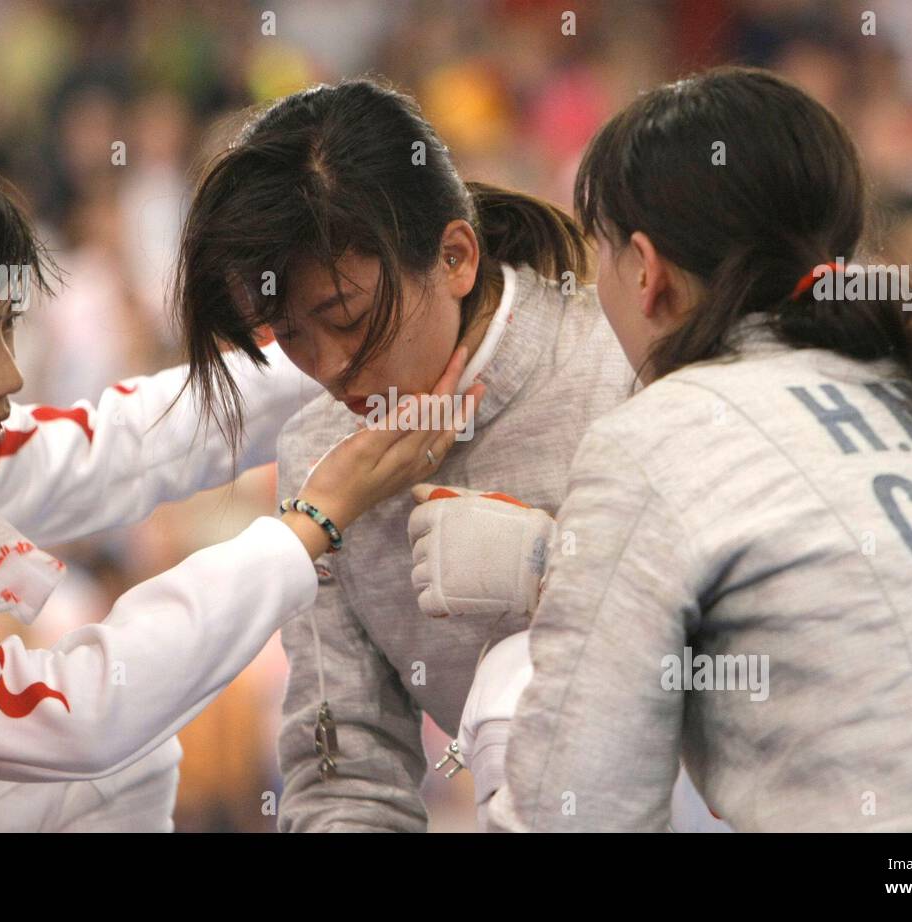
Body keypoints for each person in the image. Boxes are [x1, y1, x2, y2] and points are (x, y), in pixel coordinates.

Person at [410, 66, 912, 832]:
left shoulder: (662, 434)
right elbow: (846, 587)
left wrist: (561, 588)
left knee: (513, 681)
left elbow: (578, 812)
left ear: (647, 273)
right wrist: (561, 563)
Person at [0, 140, 478, 832]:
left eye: (6, 333)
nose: (9, 378)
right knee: (107, 740)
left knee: (126, 762)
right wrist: (311, 524)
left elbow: (130, 437)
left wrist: (368, 346)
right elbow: (69, 716)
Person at [175, 78, 649, 832]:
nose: (327, 367)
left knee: (516, 686)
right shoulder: (324, 460)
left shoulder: (624, 367)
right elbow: (346, 770)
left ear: (456, 256)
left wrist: (554, 566)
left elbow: (758, 648)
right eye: (289, 333)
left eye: (347, 317)